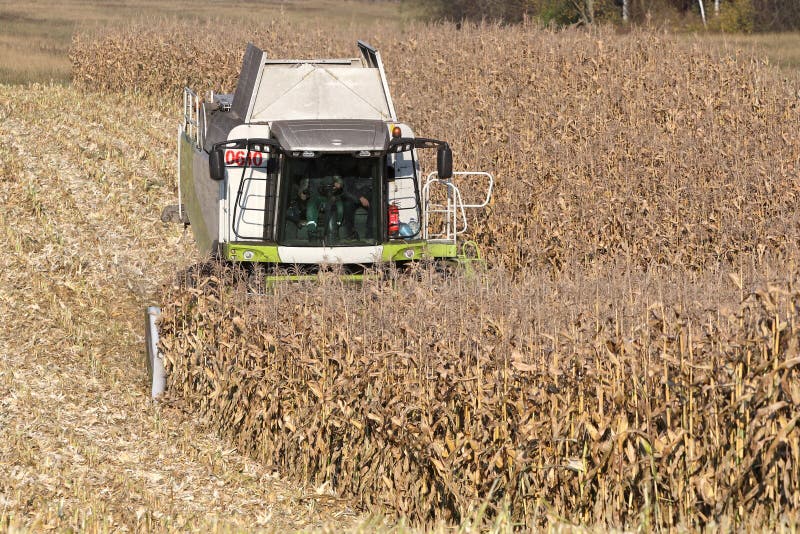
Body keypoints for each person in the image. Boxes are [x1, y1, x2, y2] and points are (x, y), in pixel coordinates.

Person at [302, 174, 344, 241]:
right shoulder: (310, 170)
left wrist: (339, 184)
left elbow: (339, 181)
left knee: (340, 208)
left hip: (332, 195)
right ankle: (312, 232)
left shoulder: (331, 169)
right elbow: (303, 186)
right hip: (314, 196)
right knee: (310, 206)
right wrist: (302, 193)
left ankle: (335, 230)